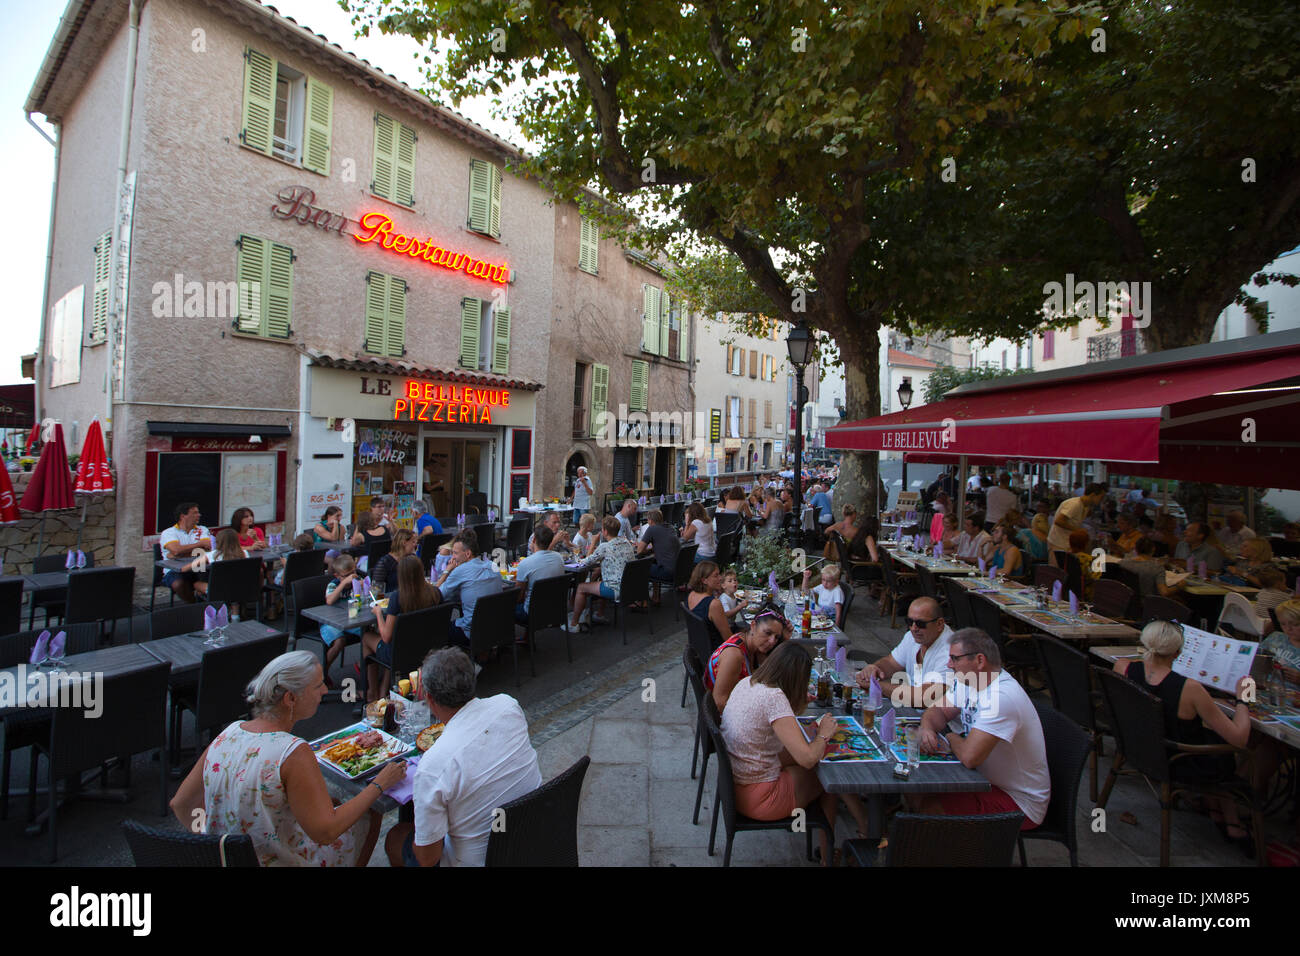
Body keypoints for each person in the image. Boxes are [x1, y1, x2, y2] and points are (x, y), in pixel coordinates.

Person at [169, 650, 404, 866]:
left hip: (232, 859)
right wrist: (378, 785)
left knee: (332, 801)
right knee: (369, 812)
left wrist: (213, 844)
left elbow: (181, 804)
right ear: (290, 699)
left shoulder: (228, 732)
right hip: (286, 860)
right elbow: (326, 832)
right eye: (318, 685)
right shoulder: (292, 751)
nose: (325, 690)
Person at [385, 648, 541, 867]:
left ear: (429, 698)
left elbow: (427, 859)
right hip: (530, 837)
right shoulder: (509, 706)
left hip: (478, 860)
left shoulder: (434, 766)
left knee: (395, 838)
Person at [1112, 621, 1254, 853]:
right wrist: (1243, 699)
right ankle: (1230, 818)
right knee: (1235, 751)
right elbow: (1240, 738)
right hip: (1181, 763)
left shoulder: (1123, 667)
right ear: (1178, 652)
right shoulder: (1190, 688)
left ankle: (1223, 814)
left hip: (1140, 750)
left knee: (1212, 739)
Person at [720, 642, 870, 862]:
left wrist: (798, 706)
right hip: (760, 798)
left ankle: (863, 826)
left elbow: (780, 721)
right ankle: (838, 850)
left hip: (736, 787)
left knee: (818, 756)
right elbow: (808, 759)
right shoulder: (773, 698)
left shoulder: (748, 682)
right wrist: (824, 734)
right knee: (828, 769)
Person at [916, 628, 1049, 830]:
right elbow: (937, 711)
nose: (948, 664)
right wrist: (927, 728)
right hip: (982, 780)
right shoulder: (969, 680)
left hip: (1019, 802)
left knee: (931, 805)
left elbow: (970, 757)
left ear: (979, 660)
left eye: (954, 658)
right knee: (917, 786)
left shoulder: (1001, 697)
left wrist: (950, 736)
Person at [855, 596, 953, 707]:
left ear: (939, 624)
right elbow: (891, 662)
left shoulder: (951, 652)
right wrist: (873, 669)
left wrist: (876, 685)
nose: (914, 628)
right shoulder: (913, 637)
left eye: (921, 624)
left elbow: (924, 698)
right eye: (909, 622)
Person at [366, 555, 438, 700]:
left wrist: (379, 614)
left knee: (366, 637)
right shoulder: (435, 593)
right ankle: (383, 689)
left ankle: (372, 691)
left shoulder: (398, 597)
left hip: (400, 652)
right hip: (428, 648)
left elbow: (386, 637)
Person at [565, 516, 636, 632]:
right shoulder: (626, 542)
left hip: (616, 588)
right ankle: (599, 614)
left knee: (581, 587)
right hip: (629, 586)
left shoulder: (604, 547)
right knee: (601, 576)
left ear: (605, 531)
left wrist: (593, 543)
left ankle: (573, 624)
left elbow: (585, 562)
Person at [432, 532, 502, 647]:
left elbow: (436, 594)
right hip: (496, 628)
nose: (452, 557)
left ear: (468, 553)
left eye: (455, 553)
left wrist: (447, 571)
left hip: (472, 632)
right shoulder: (492, 565)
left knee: (437, 630)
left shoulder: (460, 571)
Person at [707, 611, 784, 711]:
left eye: (777, 637)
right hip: (723, 717)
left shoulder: (749, 641)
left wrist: (784, 640)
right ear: (753, 626)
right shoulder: (733, 655)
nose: (772, 641)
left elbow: (769, 671)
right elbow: (719, 703)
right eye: (768, 633)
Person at [318, 552, 363, 685]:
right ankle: (322, 672)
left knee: (369, 634)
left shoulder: (357, 580)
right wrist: (343, 584)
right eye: (347, 575)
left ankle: (363, 664)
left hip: (351, 619)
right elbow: (330, 600)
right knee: (339, 642)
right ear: (337, 576)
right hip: (330, 622)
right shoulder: (334, 584)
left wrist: (362, 586)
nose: (351, 577)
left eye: (353, 572)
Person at [160, 502, 214, 602]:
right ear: (183, 516)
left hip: (199, 567)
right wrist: (199, 544)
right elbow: (176, 550)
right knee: (178, 584)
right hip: (175, 570)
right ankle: (194, 605)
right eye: (195, 513)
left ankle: (211, 606)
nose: (199, 515)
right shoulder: (168, 532)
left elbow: (207, 548)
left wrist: (178, 554)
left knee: (215, 575)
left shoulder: (202, 529)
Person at [514, 523, 567, 625]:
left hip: (532, 612)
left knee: (504, 607)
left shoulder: (525, 563)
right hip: (555, 609)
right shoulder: (559, 558)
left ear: (534, 540)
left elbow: (519, 597)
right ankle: (527, 636)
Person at [1047, 483, 1107, 560]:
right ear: (1093, 495)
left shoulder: (1086, 506)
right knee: (1058, 570)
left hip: (1067, 543)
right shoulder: (1074, 504)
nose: (1101, 500)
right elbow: (1059, 521)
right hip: (1058, 543)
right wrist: (1078, 530)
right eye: (1101, 497)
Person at [684, 560, 732, 648]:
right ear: (704, 580)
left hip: (699, 648)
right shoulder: (714, 604)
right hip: (716, 651)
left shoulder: (691, 594)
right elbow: (728, 638)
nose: (720, 578)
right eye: (716, 575)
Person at [1119, 537, 1184, 598]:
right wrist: (1179, 586)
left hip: (1127, 599)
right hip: (1149, 603)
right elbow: (1164, 592)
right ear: (1153, 549)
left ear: (1135, 549)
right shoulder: (1157, 568)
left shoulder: (1123, 562)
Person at [636, 509, 680, 590]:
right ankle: (655, 596)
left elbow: (639, 551)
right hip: (679, 571)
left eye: (648, 520)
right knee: (653, 562)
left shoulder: (652, 529)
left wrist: (645, 549)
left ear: (651, 521)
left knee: (639, 568)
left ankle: (642, 600)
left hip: (667, 572)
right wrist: (651, 549)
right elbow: (663, 545)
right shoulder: (671, 527)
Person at [1262, 600, 1300, 693]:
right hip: (1263, 688)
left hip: (1291, 697)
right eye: (1283, 624)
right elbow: (1255, 658)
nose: (1288, 629)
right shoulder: (1276, 637)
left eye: (1295, 624)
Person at [371, 528, 418, 595]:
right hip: (390, 599)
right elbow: (376, 589)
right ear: (404, 543)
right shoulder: (384, 563)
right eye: (413, 542)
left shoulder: (411, 558)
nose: (415, 545)